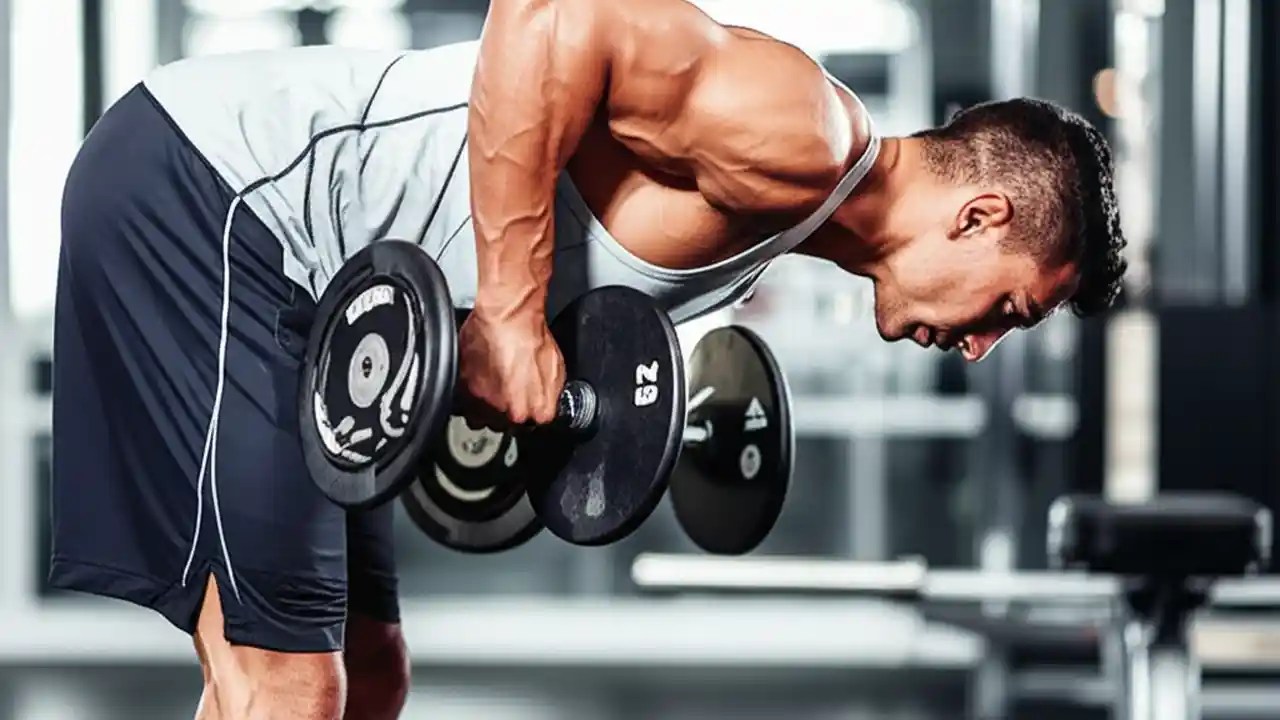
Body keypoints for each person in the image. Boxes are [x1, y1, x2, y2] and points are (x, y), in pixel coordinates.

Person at [49, 0, 1127, 717]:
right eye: (1006, 311)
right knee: (289, 682)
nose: (981, 345)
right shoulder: (804, 133)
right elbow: (550, 12)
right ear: (981, 214)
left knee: (364, 677)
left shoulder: (781, 223)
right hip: (218, 193)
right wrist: (511, 317)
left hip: (323, 287)